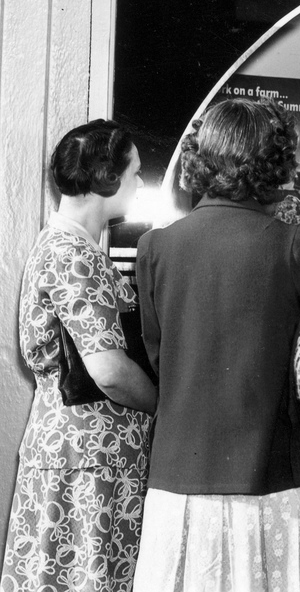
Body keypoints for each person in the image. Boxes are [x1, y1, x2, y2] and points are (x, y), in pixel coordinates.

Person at [132, 97, 300, 591]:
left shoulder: (156, 248)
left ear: (202, 158)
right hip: (275, 478)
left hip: (180, 481)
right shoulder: (295, 243)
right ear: (275, 164)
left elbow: (159, 361)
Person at [2, 120, 157, 591]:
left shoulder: (72, 247)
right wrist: (161, 407)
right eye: (133, 173)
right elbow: (108, 370)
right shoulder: (72, 254)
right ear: (106, 179)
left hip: (85, 456)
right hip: (87, 461)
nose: (139, 183)